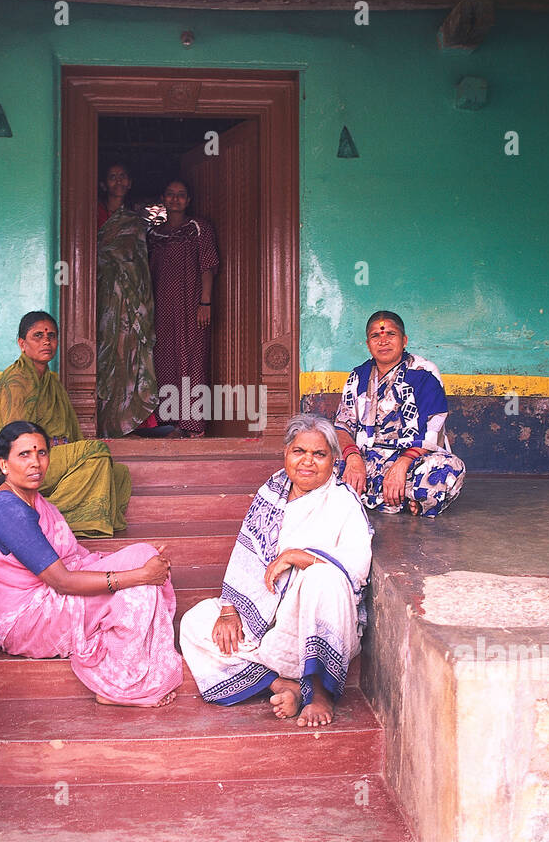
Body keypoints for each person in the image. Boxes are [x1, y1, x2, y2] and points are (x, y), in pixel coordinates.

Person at [179, 414, 372, 727]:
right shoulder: (272, 490)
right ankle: (282, 685)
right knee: (195, 622)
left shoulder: (342, 501)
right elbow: (246, 551)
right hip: (262, 626)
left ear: (333, 460)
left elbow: (357, 566)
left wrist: (298, 556)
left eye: (319, 454)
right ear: (286, 454)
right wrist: (229, 610)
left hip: (306, 628)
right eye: (299, 452)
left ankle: (320, 692)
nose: (308, 461)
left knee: (323, 577)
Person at [0, 421, 183, 707]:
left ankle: (130, 664)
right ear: (4, 464)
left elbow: (74, 560)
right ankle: (120, 685)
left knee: (143, 554)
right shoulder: (7, 510)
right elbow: (62, 581)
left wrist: (142, 564)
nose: (35, 463)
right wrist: (137, 575)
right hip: (27, 620)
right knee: (139, 587)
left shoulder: (36, 501)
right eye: (24, 454)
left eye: (41, 453)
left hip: (54, 593)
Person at [0, 311, 130, 537]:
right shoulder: (15, 381)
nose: (47, 341)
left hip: (55, 455)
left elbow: (70, 432)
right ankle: (45, 517)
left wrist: (70, 453)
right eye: (38, 336)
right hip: (28, 459)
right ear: (22, 344)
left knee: (119, 473)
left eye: (52, 336)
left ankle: (63, 514)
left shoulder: (52, 382)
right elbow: (15, 437)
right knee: (98, 451)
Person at [335, 309, 465, 517]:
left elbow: (433, 431)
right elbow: (342, 426)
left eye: (390, 334)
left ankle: (363, 497)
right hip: (366, 459)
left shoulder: (424, 373)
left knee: (450, 468)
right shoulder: (358, 376)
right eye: (375, 336)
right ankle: (403, 500)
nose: (383, 341)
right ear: (368, 344)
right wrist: (353, 459)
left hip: (411, 458)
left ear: (404, 340)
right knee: (317, 462)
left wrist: (401, 465)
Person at [148, 179, 219, 436]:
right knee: (164, 360)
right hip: (162, 308)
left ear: (188, 200)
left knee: (192, 359)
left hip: (192, 305)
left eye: (181, 195)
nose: (175, 199)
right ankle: (171, 422)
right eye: (170, 194)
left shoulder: (198, 228)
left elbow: (208, 266)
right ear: (163, 199)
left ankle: (193, 424)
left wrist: (205, 302)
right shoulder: (154, 235)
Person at [96, 163, 161, 438]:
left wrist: (141, 305)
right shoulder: (92, 215)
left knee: (129, 354)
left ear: (130, 183)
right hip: (99, 299)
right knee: (102, 356)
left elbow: (140, 266)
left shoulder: (134, 223)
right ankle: (101, 421)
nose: (118, 181)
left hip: (130, 301)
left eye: (123, 176)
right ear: (104, 184)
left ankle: (130, 421)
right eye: (112, 177)